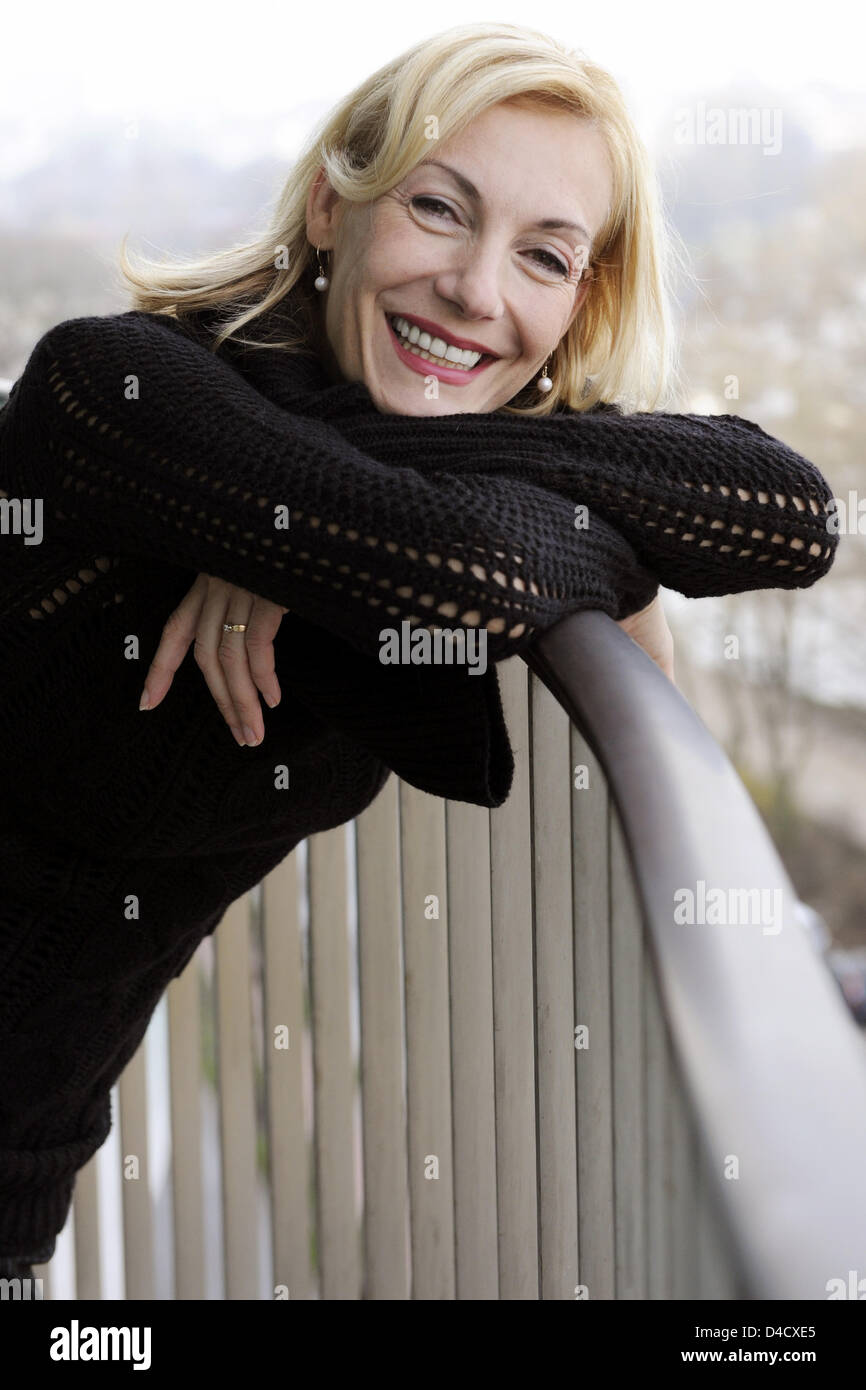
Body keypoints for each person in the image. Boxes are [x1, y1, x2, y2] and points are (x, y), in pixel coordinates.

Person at [0, 21, 838, 1279]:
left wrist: (297, 513)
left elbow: (786, 510)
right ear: (333, 208)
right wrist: (331, 513)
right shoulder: (111, 394)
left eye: (544, 258)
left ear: (580, 300)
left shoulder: (333, 483)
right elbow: (471, 572)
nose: (476, 291)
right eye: (439, 210)